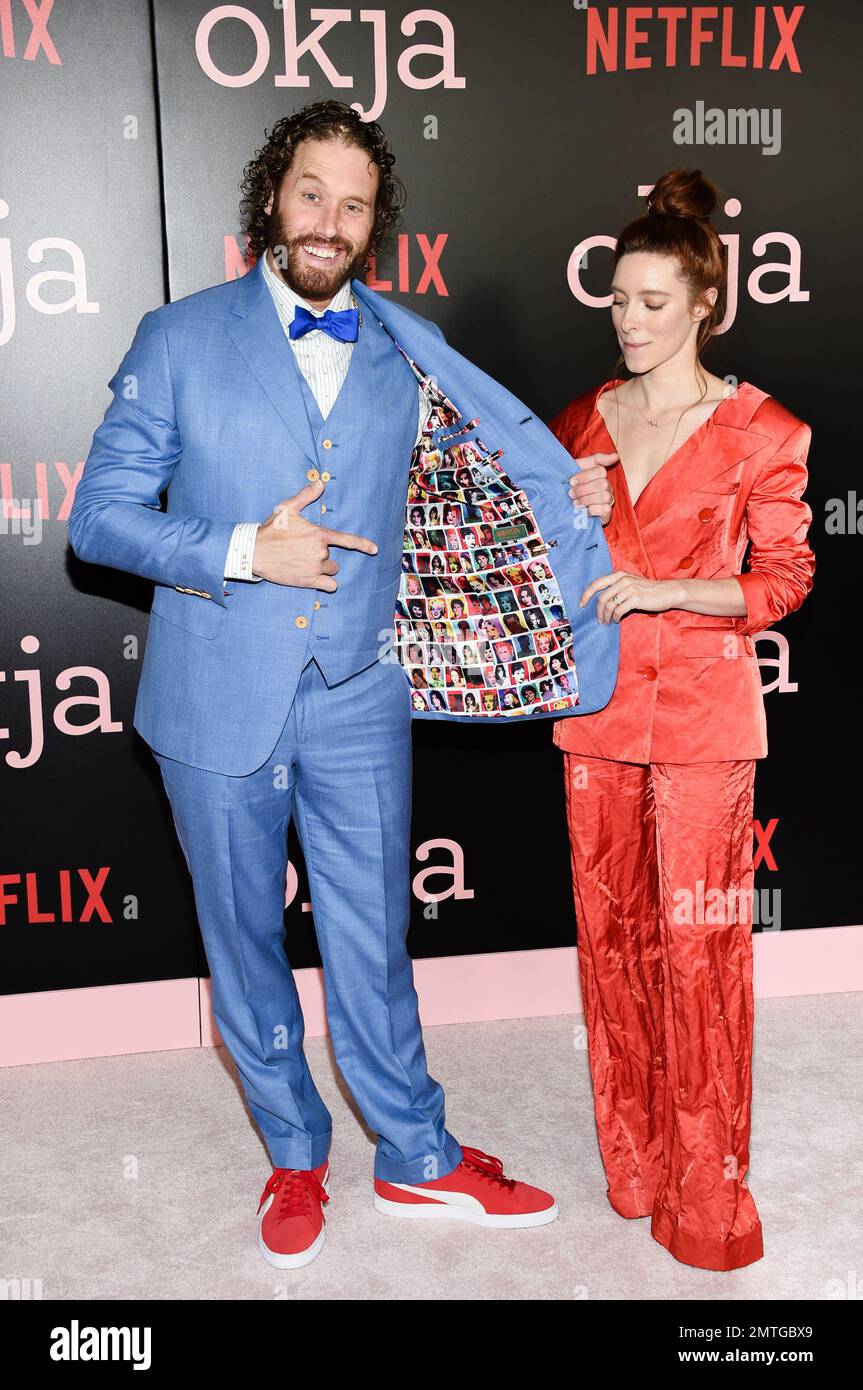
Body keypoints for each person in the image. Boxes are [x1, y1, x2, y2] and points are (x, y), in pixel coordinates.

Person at [68, 100, 617, 1272]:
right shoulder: (179, 336)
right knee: (245, 943)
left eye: (353, 203)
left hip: (359, 690)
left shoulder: (403, 345)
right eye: (310, 191)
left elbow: (485, 471)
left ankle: (413, 1152)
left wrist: (572, 502)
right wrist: (239, 549)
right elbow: (100, 519)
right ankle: (294, 1150)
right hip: (215, 694)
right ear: (273, 197)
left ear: (376, 225)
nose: (328, 219)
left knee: (372, 939)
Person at [549, 168, 815, 1272]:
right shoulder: (581, 422)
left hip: (706, 720)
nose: (630, 322)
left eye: (653, 304)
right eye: (616, 301)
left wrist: (668, 588)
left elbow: (784, 579)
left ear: (706, 303)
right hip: (597, 717)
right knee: (612, 947)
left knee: (700, 953)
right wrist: (576, 525)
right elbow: (553, 581)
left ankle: (706, 1200)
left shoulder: (761, 430)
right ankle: (635, 1162)